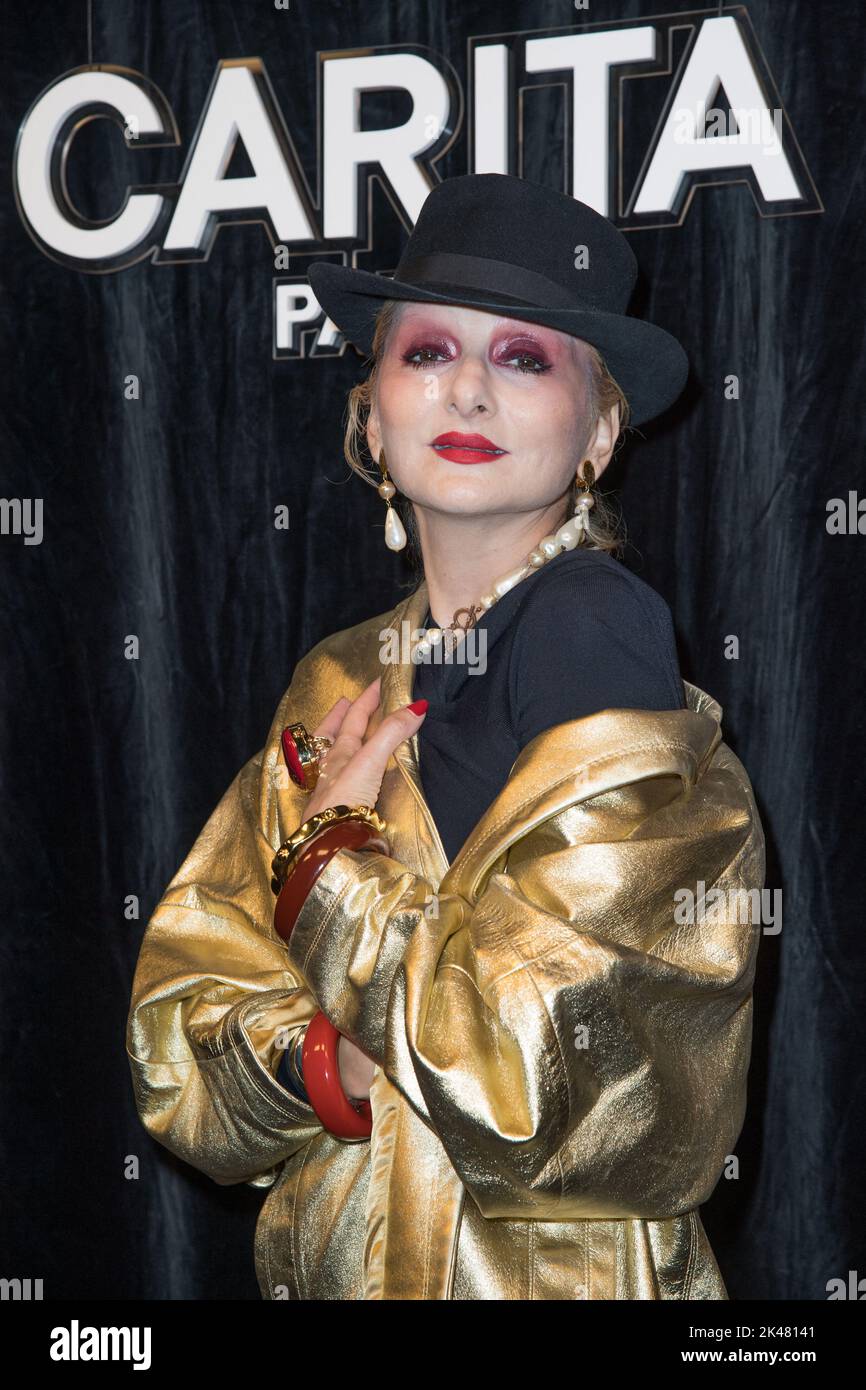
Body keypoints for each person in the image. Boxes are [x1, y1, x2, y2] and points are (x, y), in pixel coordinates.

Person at [126, 173, 765, 1300]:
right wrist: (334, 1063)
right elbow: (179, 1041)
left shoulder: (594, 637)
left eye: (523, 359)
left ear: (601, 430)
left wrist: (330, 867)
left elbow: (544, 1098)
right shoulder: (336, 680)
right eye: (426, 352)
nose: (466, 388)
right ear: (370, 412)